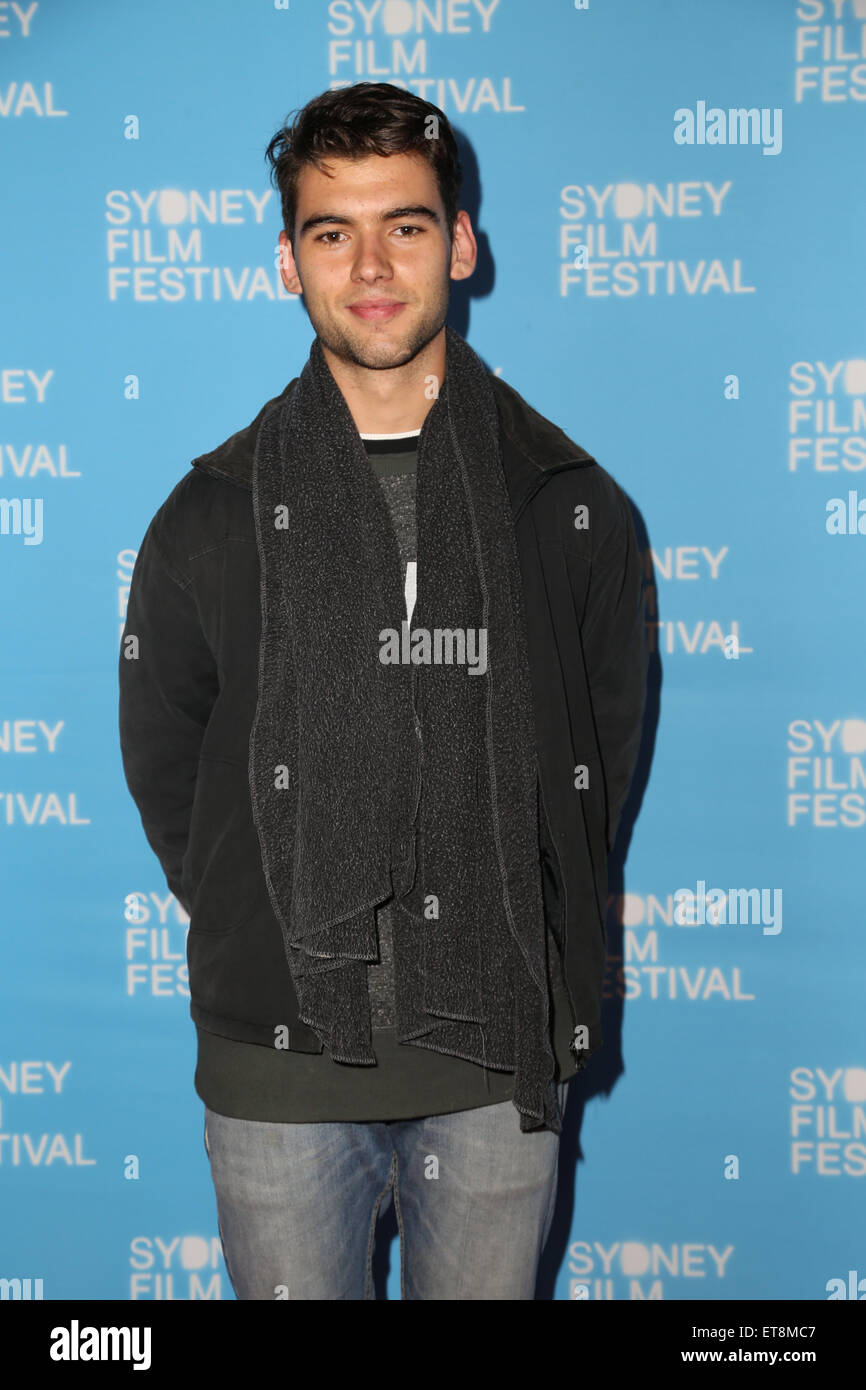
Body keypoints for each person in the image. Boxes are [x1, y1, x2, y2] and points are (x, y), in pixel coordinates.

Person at [118, 81, 648, 1301]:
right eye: (330, 232)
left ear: (458, 245)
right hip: (279, 1065)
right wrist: (274, 911)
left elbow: (594, 760)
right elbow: (172, 770)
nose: (368, 267)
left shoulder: (563, 503)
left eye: (403, 226)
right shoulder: (211, 511)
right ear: (287, 263)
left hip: (497, 1062)